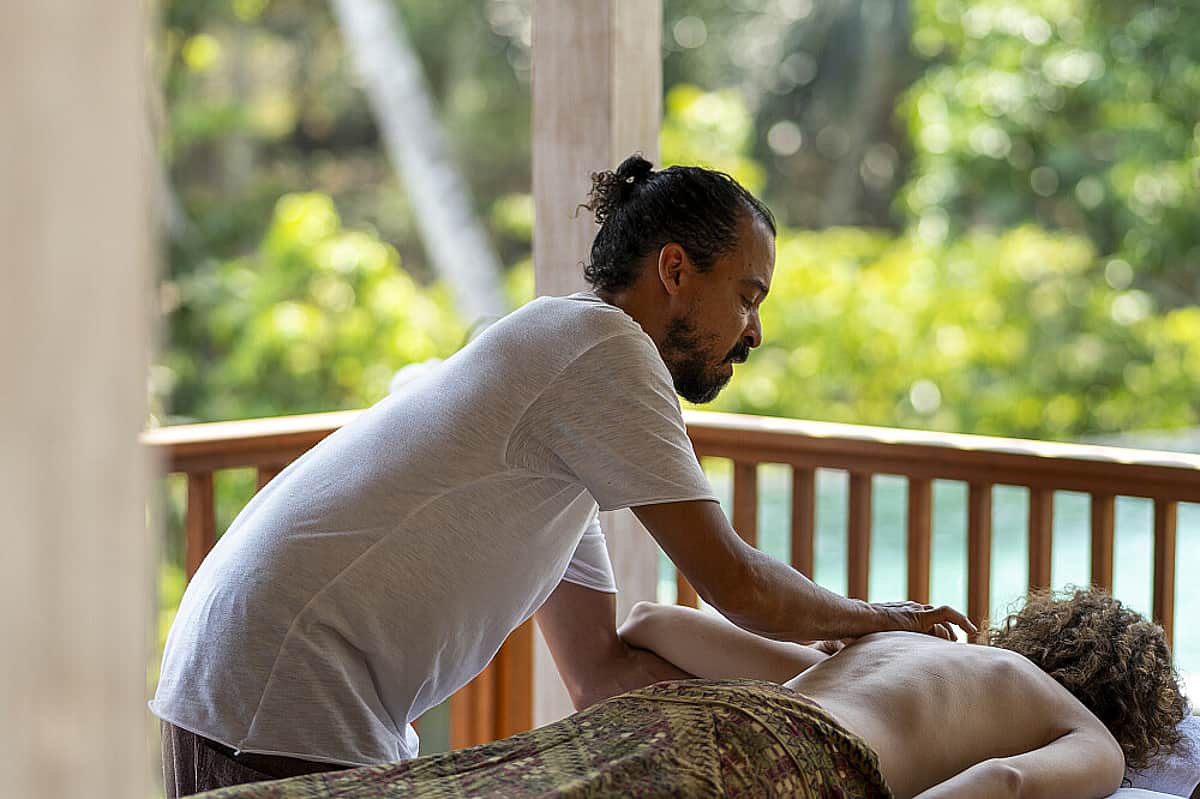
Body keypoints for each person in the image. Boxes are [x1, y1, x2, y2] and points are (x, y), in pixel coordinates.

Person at [150, 154, 973, 796]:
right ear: (676, 270)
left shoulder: (561, 411)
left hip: (255, 687)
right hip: (276, 690)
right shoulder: (603, 352)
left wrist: (824, 720)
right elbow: (738, 583)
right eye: (749, 296)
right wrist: (881, 621)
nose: (754, 332)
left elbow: (600, 671)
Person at [617, 587, 1190, 798]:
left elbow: (652, 622)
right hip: (800, 762)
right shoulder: (1089, 737)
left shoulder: (891, 648)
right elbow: (1002, 782)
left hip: (685, 725)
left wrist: (837, 647)